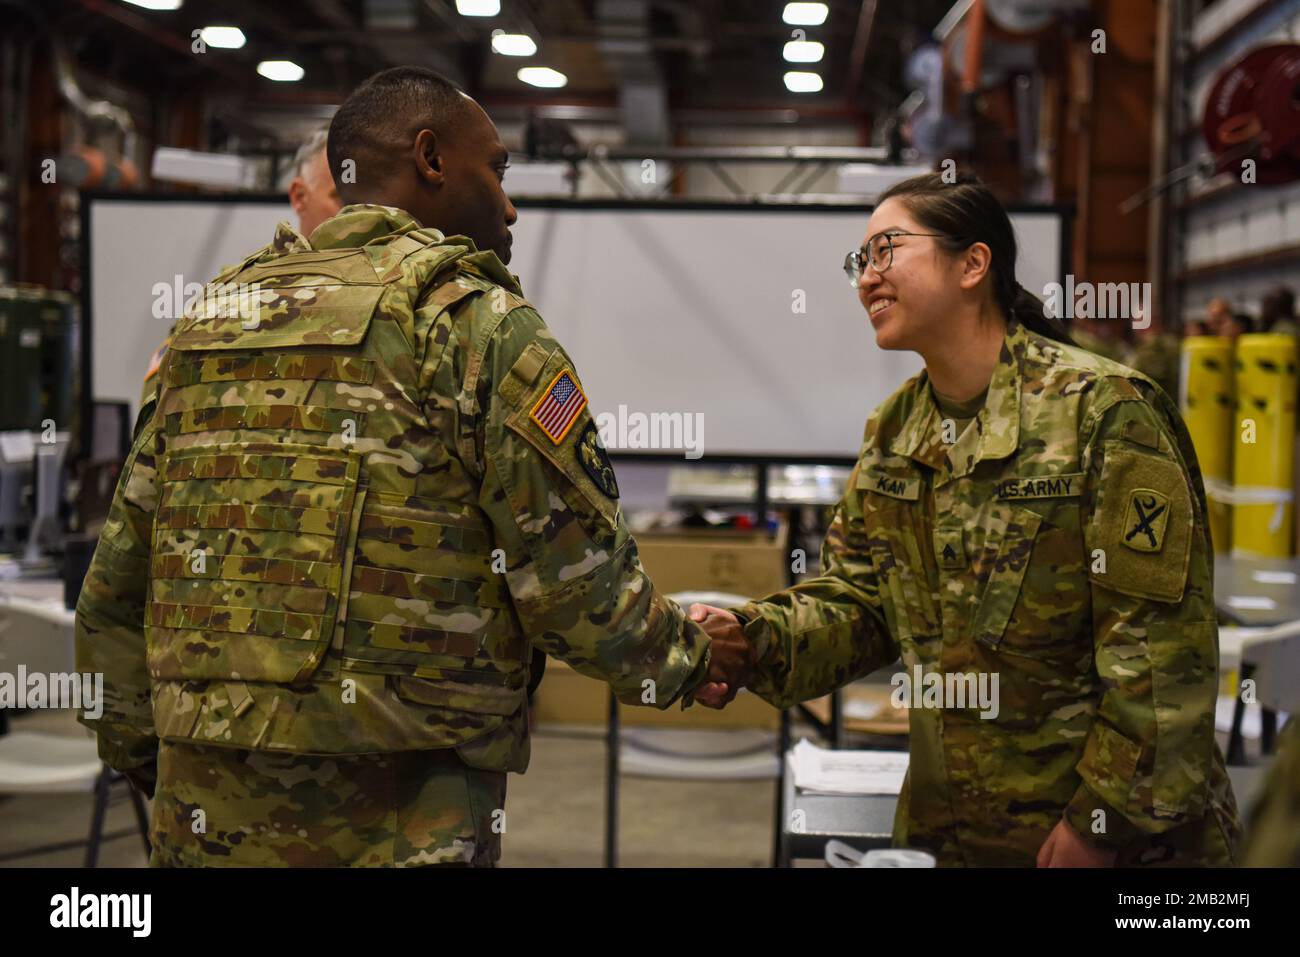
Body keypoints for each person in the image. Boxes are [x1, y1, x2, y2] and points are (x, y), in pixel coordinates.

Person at [76, 66, 747, 867]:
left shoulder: (210, 322)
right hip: (402, 817)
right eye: (496, 168)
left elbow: (116, 589)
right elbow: (578, 588)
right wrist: (694, 656)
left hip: (204, 812)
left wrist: (166, 762)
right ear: (430, 157)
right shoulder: (476, 325)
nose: (510, 201)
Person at [691, 171, 1242, 867]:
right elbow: (858, 605)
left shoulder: (1104, 411)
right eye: (860, 261)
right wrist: (748, 640)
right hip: (952, 834)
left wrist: (1102, 824)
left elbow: (1164, 655)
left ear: (973, 264)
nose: (867, 277)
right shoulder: (897, 429)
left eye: (887, 249)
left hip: (1110, 844)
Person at [137, 127, 343, 410]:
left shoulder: (400, 298)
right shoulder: (227, 303)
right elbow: (159, 415)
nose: (359, 214)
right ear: (299, 196)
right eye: (341, 198)